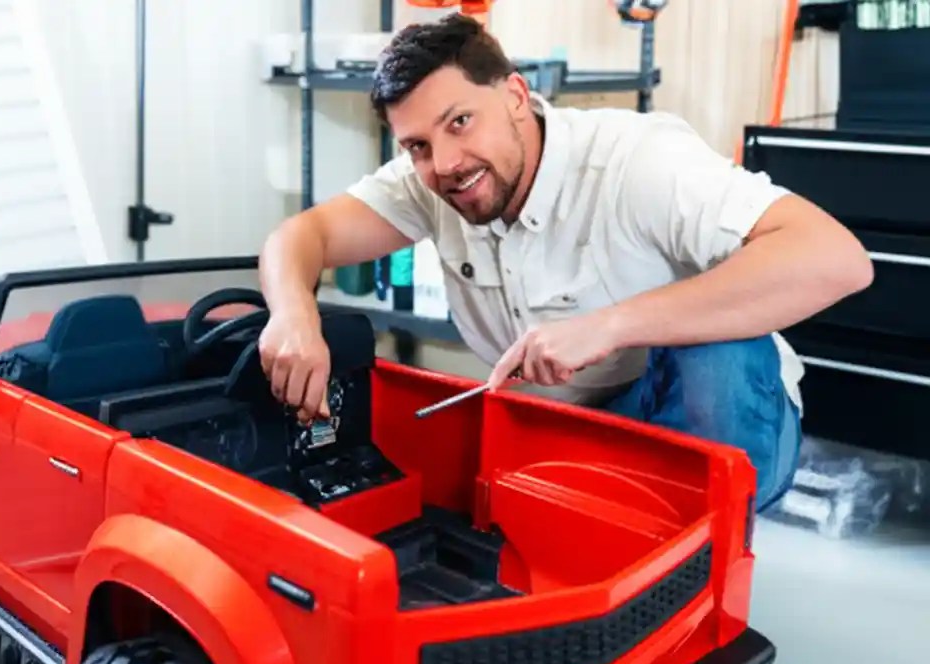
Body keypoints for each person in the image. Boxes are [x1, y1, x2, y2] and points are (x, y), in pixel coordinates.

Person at [255, 14, 873, 510]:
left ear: (517, 96)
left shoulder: (639, 161)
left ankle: (704, 545)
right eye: (417, 144)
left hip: (704, 416)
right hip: (569, 428)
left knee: (720, 352)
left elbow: (837, 259)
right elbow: (300, 236)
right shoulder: (430, 179)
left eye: (461, 122)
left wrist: (607, 326)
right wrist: (292, 314)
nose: (444, 163)